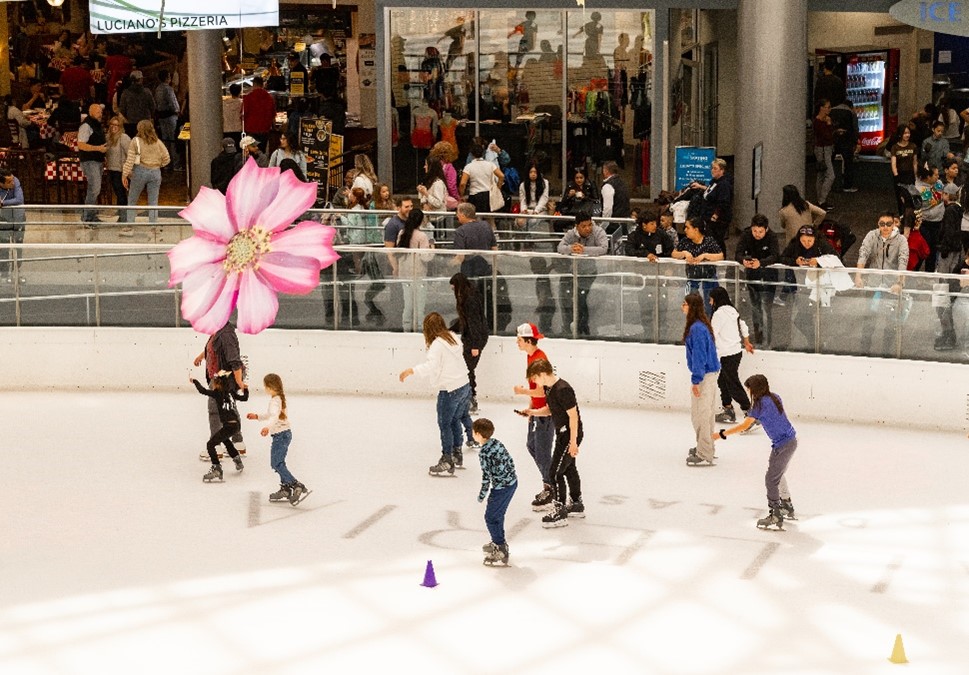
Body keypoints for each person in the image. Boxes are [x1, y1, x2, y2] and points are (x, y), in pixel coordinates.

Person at [713, 374, 798, 530]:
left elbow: (744, 426)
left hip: (784, 444)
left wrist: (721, 434)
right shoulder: (775, 397)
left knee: (771, 479)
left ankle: (775, 514)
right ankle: (786, 504)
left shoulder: (759, 405)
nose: (748, 392)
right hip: (786, 443)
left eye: (749, 389)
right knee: (776, 474)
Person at [399, 312, 473, 476]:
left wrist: (411, 371)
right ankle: (456, 454)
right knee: (454, 421)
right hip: (464, 385)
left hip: (450, 388)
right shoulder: (452, 338)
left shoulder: (437, 345)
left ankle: (447, 459)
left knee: (445, 424)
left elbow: (431, 366)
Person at [525, 358, 584, 528]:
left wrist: (573, 442)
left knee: (555, 472)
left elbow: (573, 416)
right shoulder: (549, 388)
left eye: (535, 378)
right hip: (563, 434)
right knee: (568, 467)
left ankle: (560, 511)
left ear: (543, 374)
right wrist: (533, 412)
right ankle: (576, 503)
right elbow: (552, 409)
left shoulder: (563, 389)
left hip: (570, 435)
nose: (534, 382)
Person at [246, 373, 309, 506]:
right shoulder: (278, 398)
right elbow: (270, 415)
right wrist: (256, 416)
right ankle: (285, 488)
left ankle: (295, 484)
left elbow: (274, 417)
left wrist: (267, 427)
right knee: (279, 463)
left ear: (270, 387)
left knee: (276, 463)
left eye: (265, 386)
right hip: (284, 434)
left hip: (281, 435)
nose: (264, 388)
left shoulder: (275, 401)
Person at [512, 322, 555, 511]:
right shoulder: (531, 357)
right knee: (532, 446)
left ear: (528, 340)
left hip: (545, 414)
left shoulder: (539, 359)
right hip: (537, 413)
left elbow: (542, 391)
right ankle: (550, 482)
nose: (517, 342)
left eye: (519, 339)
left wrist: (520, 391)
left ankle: (551, 487)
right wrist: (529, 408)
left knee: (543, 453)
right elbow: (535, 390)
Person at [681, 292, 720, 467]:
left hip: (704, 375)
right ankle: (706, 446)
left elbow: (699, 355)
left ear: (692, 307)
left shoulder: (697, 328)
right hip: (710, 374)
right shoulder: (701, 326)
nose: (682, 307)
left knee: (700, 415)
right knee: (707, 413)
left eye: (685, 304)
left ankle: (704, 452)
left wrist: (696, 380)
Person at [557, 212, 608, 336]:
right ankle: (570, 326)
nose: (588, 228)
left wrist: (584, 250)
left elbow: (604, 248)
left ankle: (582, 326)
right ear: (577, 226)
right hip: (572, 272)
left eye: (589, 225)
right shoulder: (571, 234)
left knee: (582, 299)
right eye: (584, 226)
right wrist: (571, 249)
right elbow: (560, 247)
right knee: (567, 299)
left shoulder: (598, 231)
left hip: (589, 273)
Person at [709, 287, 755, 426]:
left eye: (711, 299)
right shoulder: (732, 310)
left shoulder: (719, 314)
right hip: (735, 352)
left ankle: (749, 412)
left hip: (727, 353)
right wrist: (746, 342)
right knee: (723, 381)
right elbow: (743, 325)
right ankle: (728, 409)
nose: (710, 303)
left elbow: (712, 334)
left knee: (732, 383)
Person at [475, 418, 518, 566]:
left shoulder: (484, 452)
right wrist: (511, 476)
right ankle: (498, 541)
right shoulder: (497, 443)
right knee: (497, 515)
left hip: (501, 488)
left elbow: (486, 476)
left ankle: (500, 547)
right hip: (512, 483)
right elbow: (510, 460)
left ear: (479, 434)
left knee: (490, 517)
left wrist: (482, 495)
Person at [191, 373, 248, 483]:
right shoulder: (230, 393)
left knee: (210, 444)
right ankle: (236, 458)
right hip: (235, 425)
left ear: (217, 384)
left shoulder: (217, 393)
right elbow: (244, 398)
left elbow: (202, 391)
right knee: (225, 439)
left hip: (229, 426)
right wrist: (245, 389)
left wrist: (194, 381)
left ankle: (217, 468)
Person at [734, 214, 780, 346]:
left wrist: (762, 263)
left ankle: (767, 339)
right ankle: (758, 336)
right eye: (755, 231)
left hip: (768, 277)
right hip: (752, 277)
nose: (757, 234)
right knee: (755, 307)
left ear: (766, 229)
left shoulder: (772, 236)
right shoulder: (746, 235)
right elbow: (738, 253)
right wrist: (743, 260)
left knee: (765, 308)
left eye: (760, 232)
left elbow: (776, 255)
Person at [450, 272, 489, 417]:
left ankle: (470, 398)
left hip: (475, 339)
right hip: (471, 338)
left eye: (454, 288)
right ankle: (468, 397)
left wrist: (475, 345)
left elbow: (474, 323)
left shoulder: (470, 300)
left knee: (467, 368)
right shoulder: (468, 298)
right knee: (466, 368)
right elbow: (465, 322)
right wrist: (450, 330)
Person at [934, 184, 964, 352]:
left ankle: (948, 333)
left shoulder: (951, 211)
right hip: (953, 257)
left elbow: (950, 235)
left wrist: (944, 250)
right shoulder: (958, 211)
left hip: (948, 259)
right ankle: (948, 332)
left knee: (941, 297)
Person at [123, 119, 170, 224]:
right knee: (153, 201)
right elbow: (167, 158)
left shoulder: (135, 141)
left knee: (132, 199)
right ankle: (153, 226)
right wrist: (158, 165)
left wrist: (124, 174)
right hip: (156, 172)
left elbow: (130, 160)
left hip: (140, 171)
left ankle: (130, 225)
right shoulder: (158, 142)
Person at [671, 219, 723, 313]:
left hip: (709, 279)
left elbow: (720, 255)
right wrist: (684, 253)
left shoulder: (709, 241)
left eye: (687, 227)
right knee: (692, 307)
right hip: (693, 279)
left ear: (696, 229)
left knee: (710, 307)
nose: (685, 230)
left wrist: (705, 255)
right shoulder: (685, 241)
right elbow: (674, 253)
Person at [397, 207, 434, 331]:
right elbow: (426, 257)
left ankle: (406, 327)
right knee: (419, 305)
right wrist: (432, 248)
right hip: (418, 274)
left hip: (405, 273)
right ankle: (419, 328)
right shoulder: (422, 236)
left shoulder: (402, 233)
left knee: (407, 303)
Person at [77, 103, 107, 228]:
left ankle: (92, 215)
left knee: (95, 189)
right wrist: (98, 148)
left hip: (98, 160)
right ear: (92, 112)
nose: (101, 114)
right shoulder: (86, 126)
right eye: (99, 112)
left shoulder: (96, 125)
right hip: (90, 161)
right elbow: (81, 144)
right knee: (94, 188)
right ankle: (87, 217)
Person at [460, 137, 505, 214]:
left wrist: (462, 195)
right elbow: (501, 176)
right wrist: (498, 187)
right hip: (488, 196)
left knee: (474, 218)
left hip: (474, 196)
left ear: (472, 154)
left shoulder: (469, 167)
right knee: (489, 218)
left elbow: (462, 183)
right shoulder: (490, 165)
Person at [914, 163, 945, 272]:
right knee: (923, 250)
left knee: (933, 250)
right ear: (928, 177)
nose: (938, 177)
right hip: (925, 224)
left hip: (938, 223)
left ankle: (930, 274)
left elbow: (943, 194)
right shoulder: (919, 189)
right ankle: (913, 272)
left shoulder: (938, 183)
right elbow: (930, 202)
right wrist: (940, 198)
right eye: (936, 175)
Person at [104, 115, 131, 230]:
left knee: (121, 195)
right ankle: (122, 216)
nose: (114, 127)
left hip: (122, 170)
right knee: (119, 194)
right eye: (112, 124)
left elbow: (130, 154)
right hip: (111, 169)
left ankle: (123, 218)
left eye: (116, 125)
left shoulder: (124, 138)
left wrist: (128, 171)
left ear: (120, 127)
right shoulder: (107, 137)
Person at [0, 169, 26, 282]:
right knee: (4, 246)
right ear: (1, 184)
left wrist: (3, 203)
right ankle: (4, 273)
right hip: (3, 219)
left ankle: (17, 272)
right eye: (9, 182)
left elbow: (19, 199)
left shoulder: (15, 180)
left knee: (18, 245)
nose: (13, 183)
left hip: (18, 218)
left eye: (12, 179)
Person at [153, 69, 181, 171]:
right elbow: (173, 104)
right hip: (170, 116)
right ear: (167, 78)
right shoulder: (168, 89)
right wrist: (178, 111)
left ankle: (166, 164)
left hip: (161, 117)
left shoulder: (157, 89)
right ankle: (176, 165)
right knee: (173, 140)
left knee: (165, 141)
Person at [830, 99, 859, 193]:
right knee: (848, 163)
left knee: (830, 162)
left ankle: (829, 184)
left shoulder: (831, 110)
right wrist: (855, 141)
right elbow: (855, 128)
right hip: (847, 140)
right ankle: (847, 186)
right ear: (850, 106)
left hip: (833, 140)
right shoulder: (851, 112)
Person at [890, 125, 918, 216]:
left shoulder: (913, 146)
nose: (907, 135)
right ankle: (902, 215)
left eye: (908, 133)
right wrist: (896, 175)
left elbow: (914, 162)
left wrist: (916, 175)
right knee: (900, 196)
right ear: (900, 134)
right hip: (899, 174)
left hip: (909, 174)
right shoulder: (895, 147)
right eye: (905, 133)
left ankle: (910, 215)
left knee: (910, 195)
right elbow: (893, 163)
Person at [518, 163, 550, 242]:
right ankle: (522, 241)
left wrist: (536, 210)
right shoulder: (523, 185)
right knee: (520, 222)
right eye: (531, 172)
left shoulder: (544, 183)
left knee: (533, 221)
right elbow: (523, 200)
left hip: (540, 210)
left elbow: (544, 198)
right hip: (528, 209)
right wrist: (524, 210)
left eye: (535, 172)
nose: (533, 174)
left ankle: (529, 241)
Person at [241, 76, 276, 147]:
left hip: (251, 128)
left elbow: (244, 114)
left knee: (252, 152)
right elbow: (273, 114)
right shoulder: (269, 98)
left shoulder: (248, 97)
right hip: (264, 129)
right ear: (262, 85)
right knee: (261, 151)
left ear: (254, 84)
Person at [813, 99, 836, 211]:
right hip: (823, 149)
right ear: (821, 108)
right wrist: (829, 124)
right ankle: (822, 200)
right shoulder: (819, 122)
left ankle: (821, 200)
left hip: (822, 149)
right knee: (830, 175)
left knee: (821, 175)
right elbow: (827, 136)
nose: (829, 109)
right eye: (827, 107)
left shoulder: (819, 121)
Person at [118, 71, 154, 138]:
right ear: (141, 79)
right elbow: (153, 107)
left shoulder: (125, 93)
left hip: (131, 124)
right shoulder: (147, 92)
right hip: (145, 123)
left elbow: (122, 109)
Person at [600, 160, 631, 236]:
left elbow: (608, 209)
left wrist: (602, 227)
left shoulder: (608, 186)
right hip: (623, 223)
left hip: (612, 226)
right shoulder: (623, 184)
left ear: (606, 171)